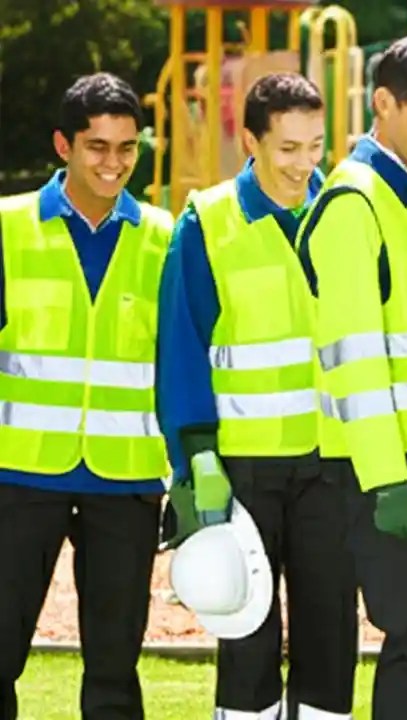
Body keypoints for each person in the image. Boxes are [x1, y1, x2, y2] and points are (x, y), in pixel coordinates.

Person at [155, 72, 358, 719]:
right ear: (251, 140)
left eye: (315, 146)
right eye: (287, 148)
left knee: (332, 639)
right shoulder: (207, 224)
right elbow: (181, 350)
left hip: (333, 463)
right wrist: (196, 460)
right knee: (247, 639)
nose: (304, 164)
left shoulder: (345, 217)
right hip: (242, 472)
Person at [294, 35, 407, 720]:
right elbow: (354, 357)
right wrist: (386, 480)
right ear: (382, 104)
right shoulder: (354, 204)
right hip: (390, 473)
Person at [0, 72, 173, 720]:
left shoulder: (165, 236)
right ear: (62, 146)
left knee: (114, 666)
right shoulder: (8, 227)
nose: (114, 163)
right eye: (97, 146)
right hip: (17, 474)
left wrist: (187, 468)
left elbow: (179, 362)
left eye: (127, 148)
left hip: (125, 479)